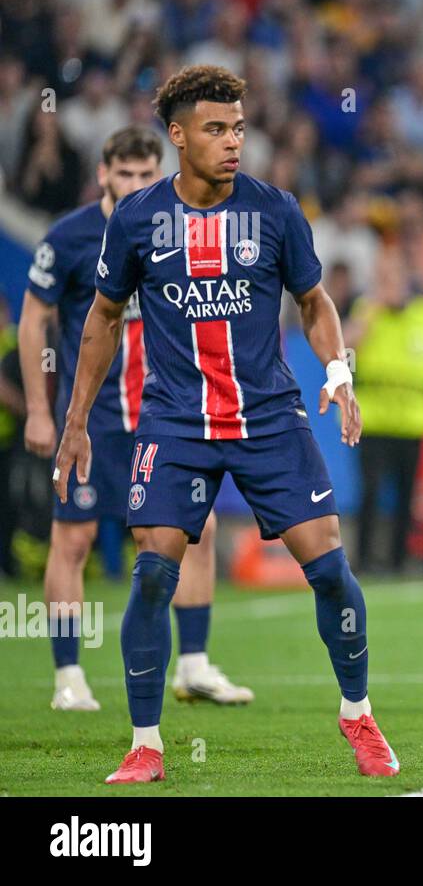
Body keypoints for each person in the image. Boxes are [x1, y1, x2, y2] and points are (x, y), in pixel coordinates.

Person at [52, 64, 398, 783]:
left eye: (239, 127)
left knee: (331, 570)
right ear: (177, 136)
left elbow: (314, 302)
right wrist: (76, 421)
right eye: (215, 128)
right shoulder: (139, 219)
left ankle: (359, 715)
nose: (233, 141)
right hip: (175, 421)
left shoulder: (276, 210)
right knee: (152, 576)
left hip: (268, 416)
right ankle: (146, 743)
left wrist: (339, 373)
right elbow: (103, 319)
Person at [20, 126, 251, 711]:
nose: (134, 186)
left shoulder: (178, 229)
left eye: (145, 175)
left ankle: (194, 665)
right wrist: (40, 411)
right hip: (93, 424)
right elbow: (32, 322)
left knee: (196, 531)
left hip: (163, 417)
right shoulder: (69, 238)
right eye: (123, 175)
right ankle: (68, 676)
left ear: (161, 172)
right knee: (74, 539)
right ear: (102, 174)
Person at [346, 249, 423, 573]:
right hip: (372, 418)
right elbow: (344, 350)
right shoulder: (365, 310)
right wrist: (370, 312)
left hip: (413, 421)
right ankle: (363, 559)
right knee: (370, 492)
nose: (391, 283)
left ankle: (400, 561)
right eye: (384, 276)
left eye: (395, 276)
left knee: (406, 496)